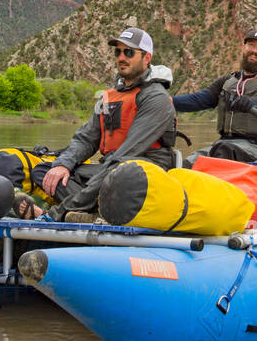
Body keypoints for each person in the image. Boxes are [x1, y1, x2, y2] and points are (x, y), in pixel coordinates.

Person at [34, 26, 178, 221]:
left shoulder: (156, 98)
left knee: (115, 173)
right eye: (117, 51)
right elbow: (86, 139)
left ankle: (68, 212)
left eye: (129, 52)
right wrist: (63, 165)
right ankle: (94, 211)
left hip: (140, 174)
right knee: (44, 171)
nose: (121, 57)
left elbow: (126, 155)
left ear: (147, 58)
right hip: (109, 169)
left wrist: (57, 212)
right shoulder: (109, 97)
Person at [173, 28, 257, 163]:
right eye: (251, 45)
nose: (255, 50)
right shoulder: (227, 81)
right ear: (243, 47)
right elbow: (199, 99)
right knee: (189, 162)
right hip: (223, 144)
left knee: (224, 152)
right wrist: (169, 101)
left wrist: (254, 102)